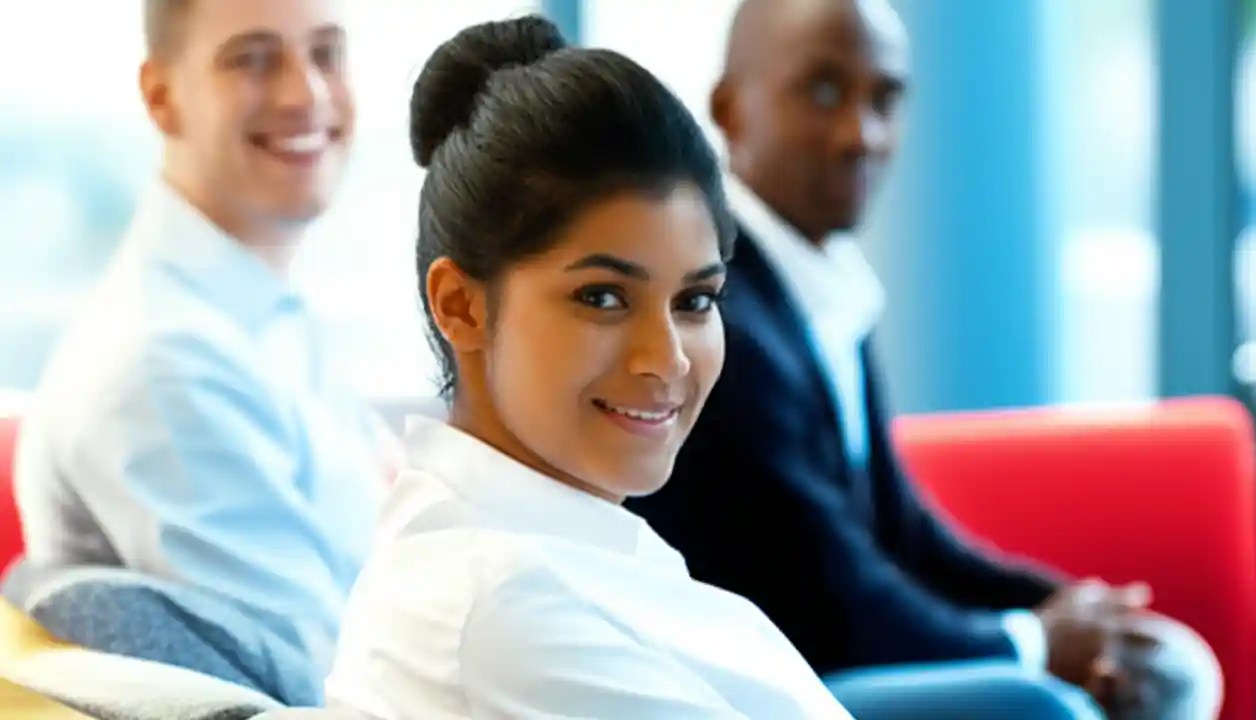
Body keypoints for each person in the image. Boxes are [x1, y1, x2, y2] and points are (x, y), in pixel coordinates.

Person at [629, 1, 1223, 718]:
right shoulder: (723, 316)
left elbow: (906, 535)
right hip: (777, 688)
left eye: (886, 99)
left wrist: (1066, 608)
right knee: (1047, 705)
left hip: (846, 657)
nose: (862, 133)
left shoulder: (819, 285)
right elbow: (836, 598)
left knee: (1169, 664)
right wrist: (1032, 642)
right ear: (729, 109)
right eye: (823, 91)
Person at [325, 16, 854, 719]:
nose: (665, 358)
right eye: (602, 298)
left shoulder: (565, 552)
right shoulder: (500, 611)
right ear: (462, 307)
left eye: (695, 300)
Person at [14, 0, 389, 702]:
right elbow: (332, 690)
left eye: (326, 53)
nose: (304, 93)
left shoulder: (259, 307)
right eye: (251, 59)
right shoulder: (165, 367)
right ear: (161, 96)